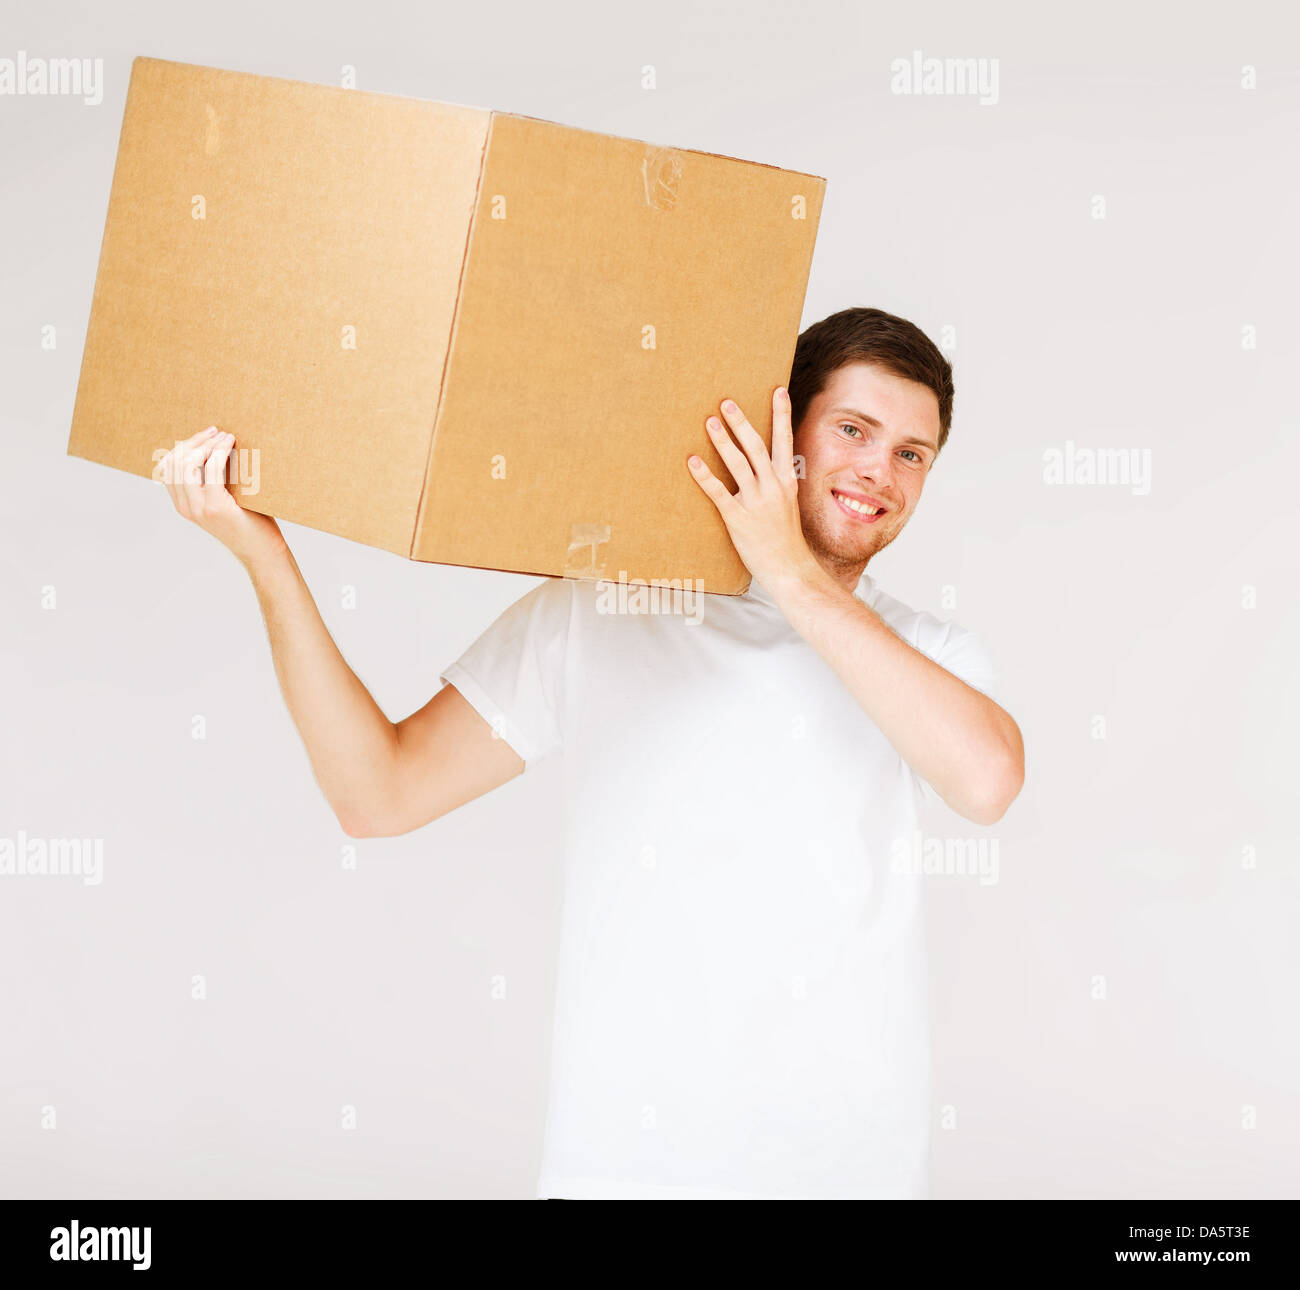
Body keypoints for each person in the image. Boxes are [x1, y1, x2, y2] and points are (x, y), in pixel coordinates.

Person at [159, 306, 1025, 1199]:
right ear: (782, 434)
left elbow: (988, 782)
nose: (880, 470)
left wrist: (791, 574)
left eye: (912, 454)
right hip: (625, 1168)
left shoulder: (932, 654)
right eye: (853, 430)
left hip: (852, 1176)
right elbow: (378, 795)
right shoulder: (605, 612)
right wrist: (264, 557)